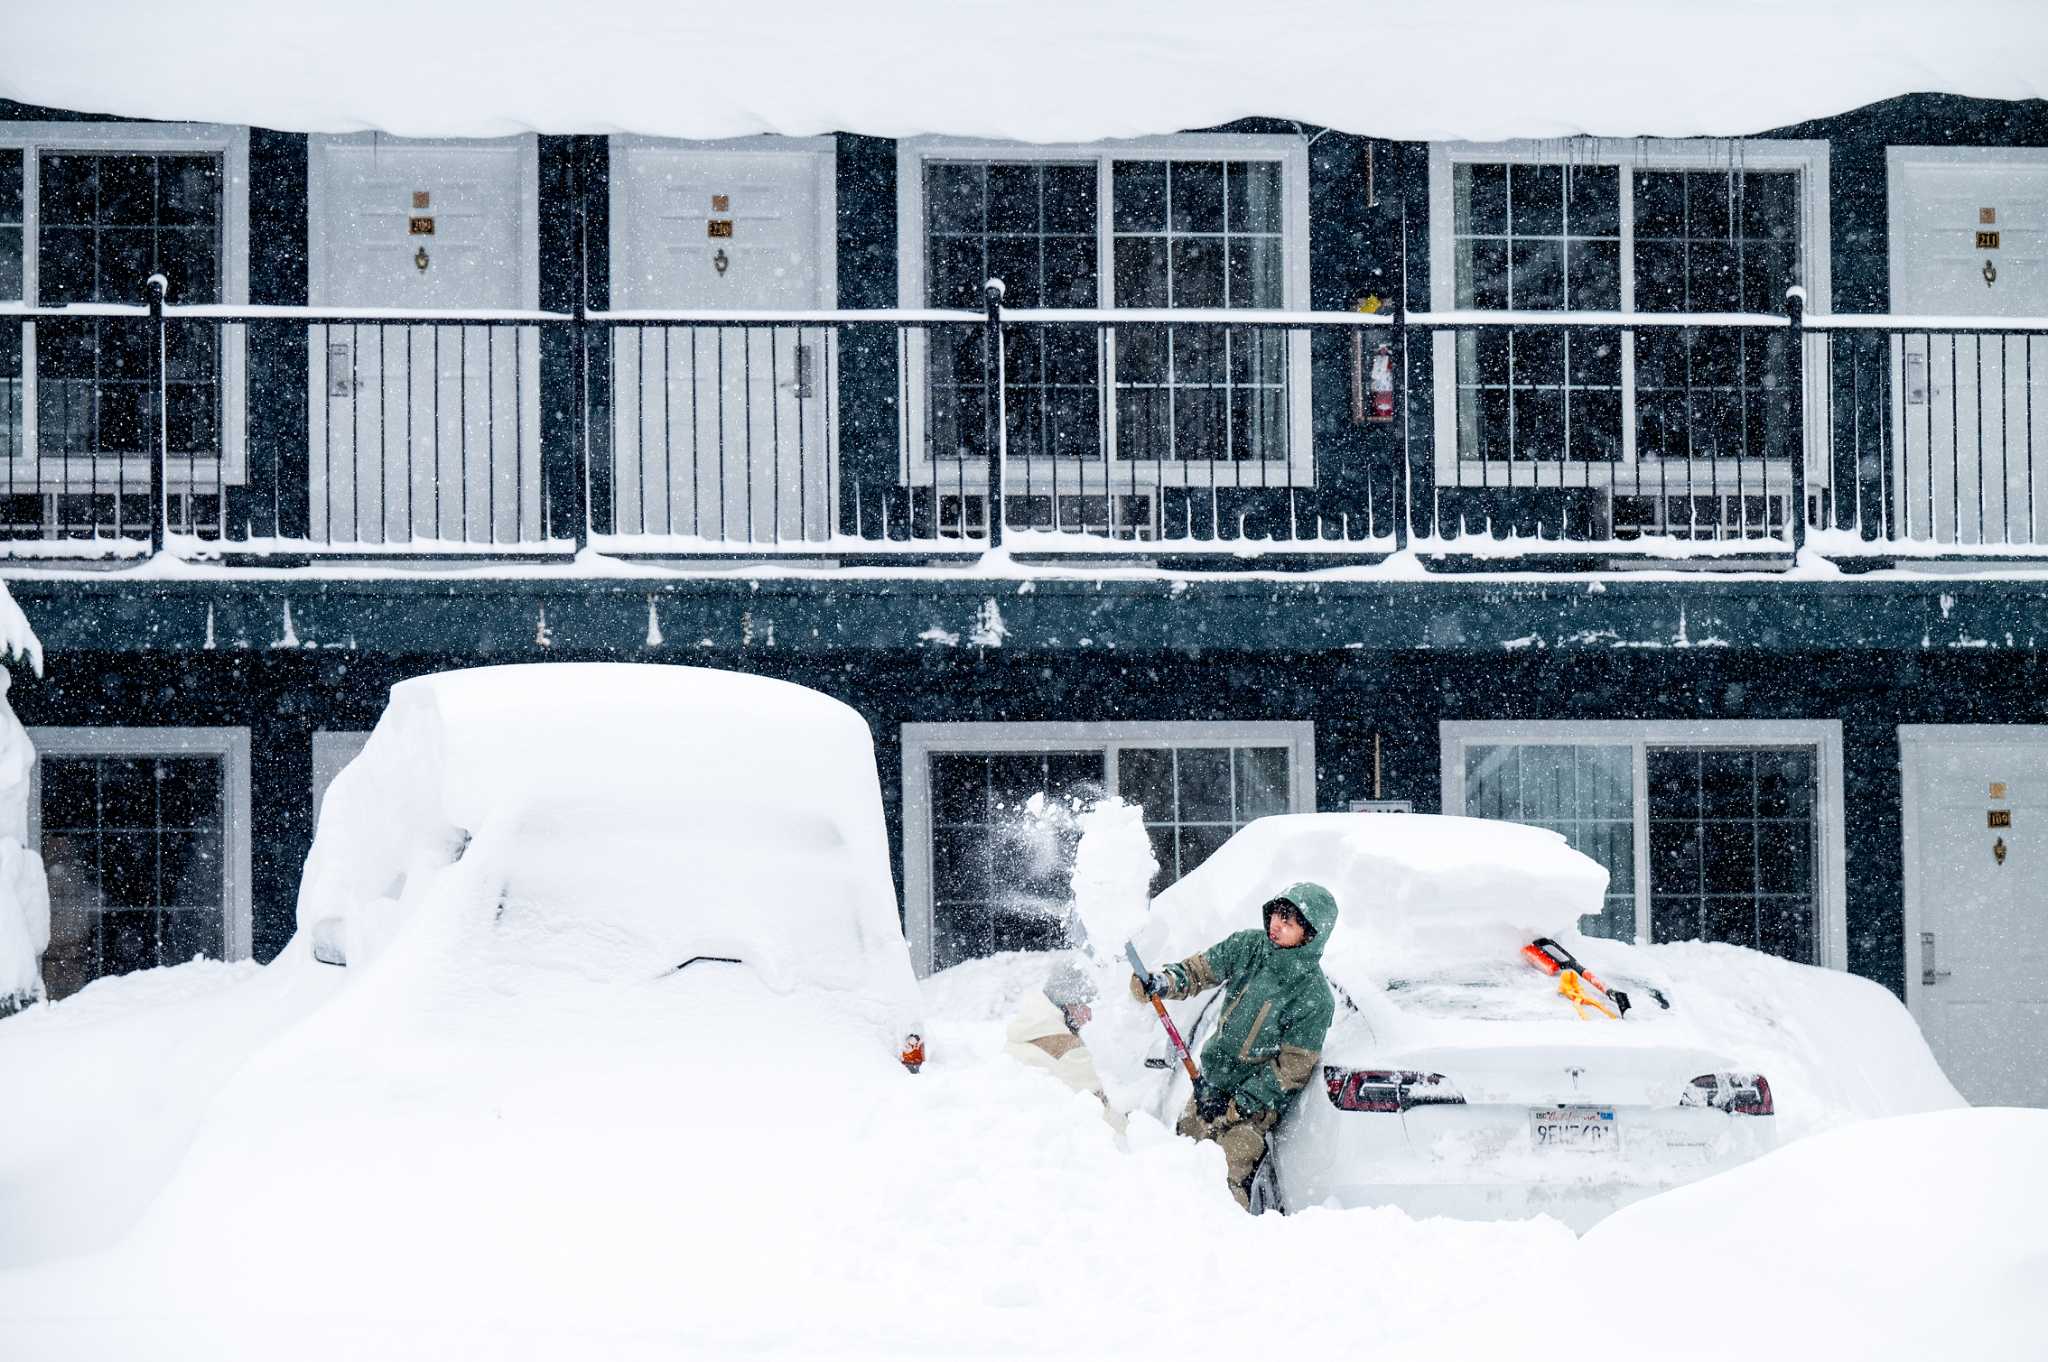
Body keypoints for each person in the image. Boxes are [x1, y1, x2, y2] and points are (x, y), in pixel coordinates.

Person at [1129, 883, 1339, 1212]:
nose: (1277, 925)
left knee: (1224, 1183)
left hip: (1252, 1111)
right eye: (1277, 915)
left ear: (1310, 934)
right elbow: (1199, 971)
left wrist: (1236, 1107)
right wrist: (1164, 981)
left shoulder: (1313, 996)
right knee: (1176, 1167)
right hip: (1209, 1083)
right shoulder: (1248, 947)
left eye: (1290, 922)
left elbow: (1292, 1069)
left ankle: (1227, 1251)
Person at [1005, 959, 1120, 1126]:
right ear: (1067, 1003)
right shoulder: (1068, 1048)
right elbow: (1101, 1110)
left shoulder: (1025, 1028)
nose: (1089, 1016)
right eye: (1084, 1005)